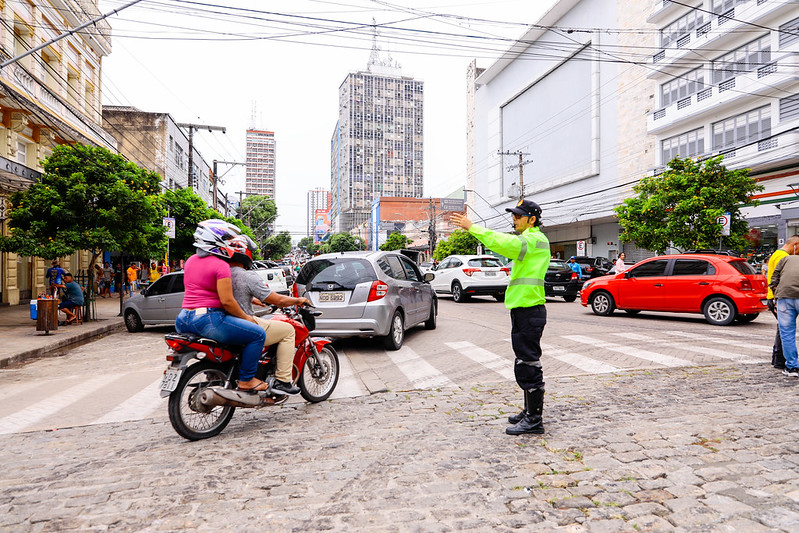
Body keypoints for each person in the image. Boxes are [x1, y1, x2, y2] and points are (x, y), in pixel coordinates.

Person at [452, 199, 550, 435]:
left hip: (529, 310)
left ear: (532, 219)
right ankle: (529, 411)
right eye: (514, 215)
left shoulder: (534, 239)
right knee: (523, 361)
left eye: (518, 216)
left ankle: (535, 420)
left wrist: (472, 227)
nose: (514, 219)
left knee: (529, 362)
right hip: (523, 308)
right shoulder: (531, 240)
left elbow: (502, 243)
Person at [175, 219, 267, 392]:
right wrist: (247, 318)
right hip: (207, 320)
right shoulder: (220, 265)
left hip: (183, 319)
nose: (228, 243)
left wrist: (252, 300)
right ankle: (247, 379)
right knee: (258, 334)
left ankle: (220, 373)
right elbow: (227, 302)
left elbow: (205, 289)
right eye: (225, 238)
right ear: (215, 240)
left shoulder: (190, 261)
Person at [226, 235, 311, 395]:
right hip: (243, 322)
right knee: (287, 331)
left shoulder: (221, 273)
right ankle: (283, 380)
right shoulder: (247, 276)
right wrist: (297, 299)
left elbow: (231, 297)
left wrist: (253, 300)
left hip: (223, 322)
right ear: (247, 254)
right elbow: (277, 299)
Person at [766, 237, 799, 370]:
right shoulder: (784, 256)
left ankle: (779, 360)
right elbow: (783, 278)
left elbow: (774, 278)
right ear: (795, 245)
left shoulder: (777, 254)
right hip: (781, 296)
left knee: (784, 331)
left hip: (779, 296)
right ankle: (781, 360)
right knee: (784, 332)